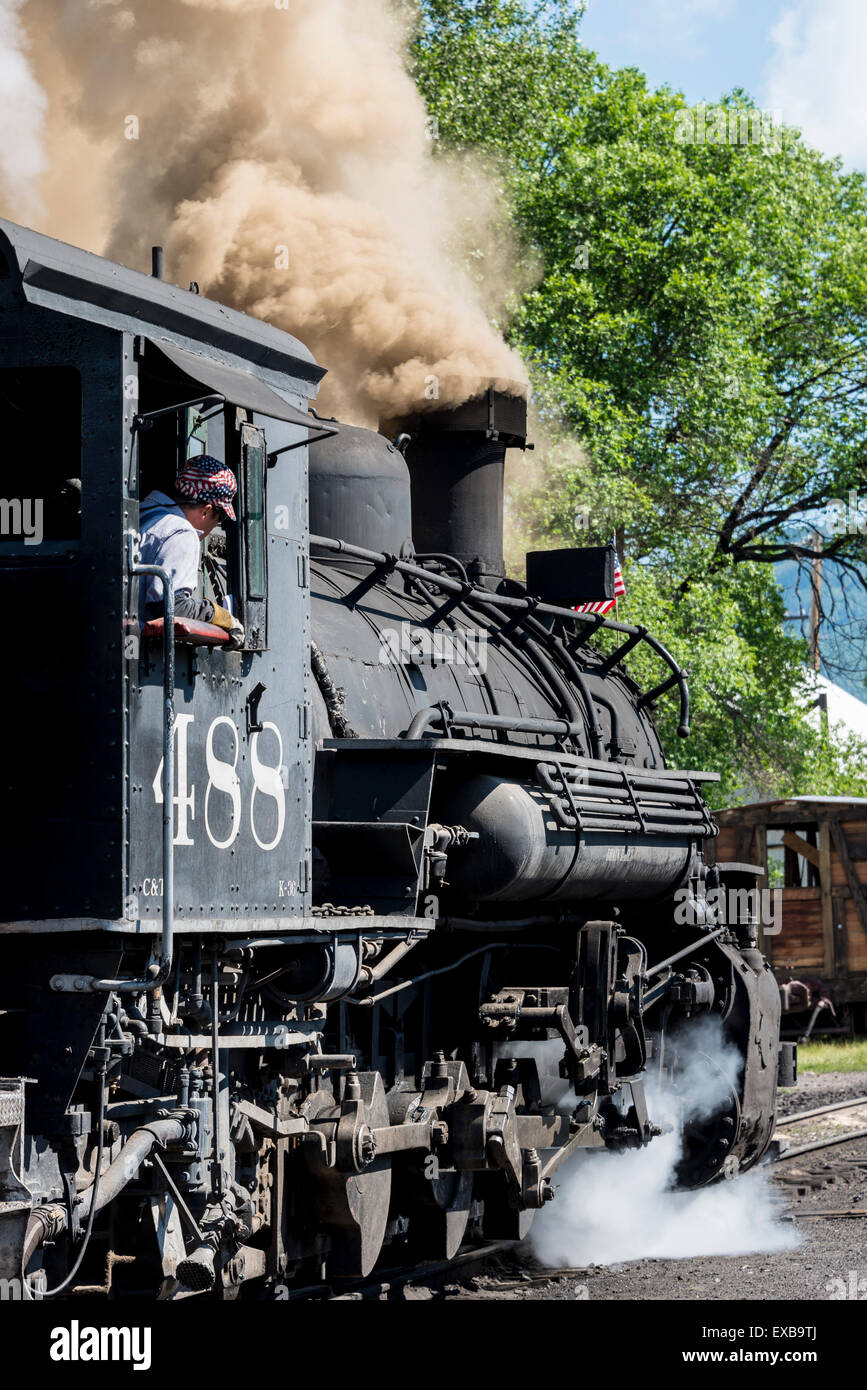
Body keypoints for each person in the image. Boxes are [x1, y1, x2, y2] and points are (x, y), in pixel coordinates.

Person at [139, 455, 245, 649]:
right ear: (206, 511)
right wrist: (221, 617)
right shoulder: (181, 532)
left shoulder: (141, 513)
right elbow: (173, 608)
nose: (214, 525)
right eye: (218, 518)